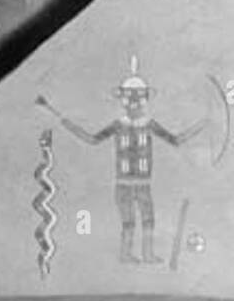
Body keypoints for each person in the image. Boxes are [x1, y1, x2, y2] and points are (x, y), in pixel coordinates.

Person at [37, 57, 202, 264]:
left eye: (138, 98)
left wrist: (201, 126)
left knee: (148, 220)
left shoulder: (148, 124)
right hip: (124, 183)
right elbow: (91, 139)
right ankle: (127, 254)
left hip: (142, 183)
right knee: (129, 222)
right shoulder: (119, 125)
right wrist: (60, 118)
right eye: (130, 98)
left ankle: (148, 254)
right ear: (124, 101)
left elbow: (175, 140)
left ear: (144, 101)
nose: (134, 103)